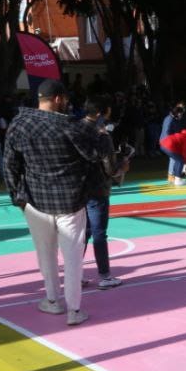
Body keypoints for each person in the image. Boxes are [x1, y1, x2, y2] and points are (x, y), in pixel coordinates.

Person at [3, 80, 106, 327]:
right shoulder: (70, 126)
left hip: (35, 201)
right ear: (58, 98)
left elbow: (9, 164)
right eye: (66, 98)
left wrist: (17, 197)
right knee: (72, 258)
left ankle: (52, 300)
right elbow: (93, 157)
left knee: (45, 254)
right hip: (70, 200)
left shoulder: (19, 124)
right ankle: (74, 310)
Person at [78, 96, 129, 289]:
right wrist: (122, 167)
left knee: (82, 232)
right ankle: (105, 276)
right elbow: (110, 168)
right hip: (97, 188)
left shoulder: (74, 129)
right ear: (101, 113)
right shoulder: (102, 135)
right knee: (99, 232)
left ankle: (75, 273)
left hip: (78, 187)